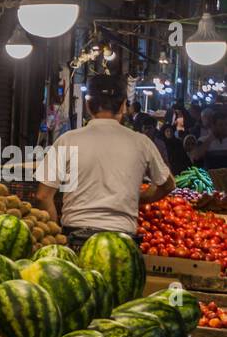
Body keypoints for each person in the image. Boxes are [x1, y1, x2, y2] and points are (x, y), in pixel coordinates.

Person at [33, 74, 175, 251]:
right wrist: (139, 198)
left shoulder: (67, 140)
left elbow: (43, 196)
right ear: (124, 105)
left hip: (76, 238)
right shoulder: (141, 142)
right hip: (123, 241)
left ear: (88, 105)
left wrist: (54, 235)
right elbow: (167, 184)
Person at [189, 106, 227, 171]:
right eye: (221, 125)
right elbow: (195, 157)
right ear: (214, 126)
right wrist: (210, 139)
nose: (224, 128)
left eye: (226, 124)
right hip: (210, 178)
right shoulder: (203, 140)